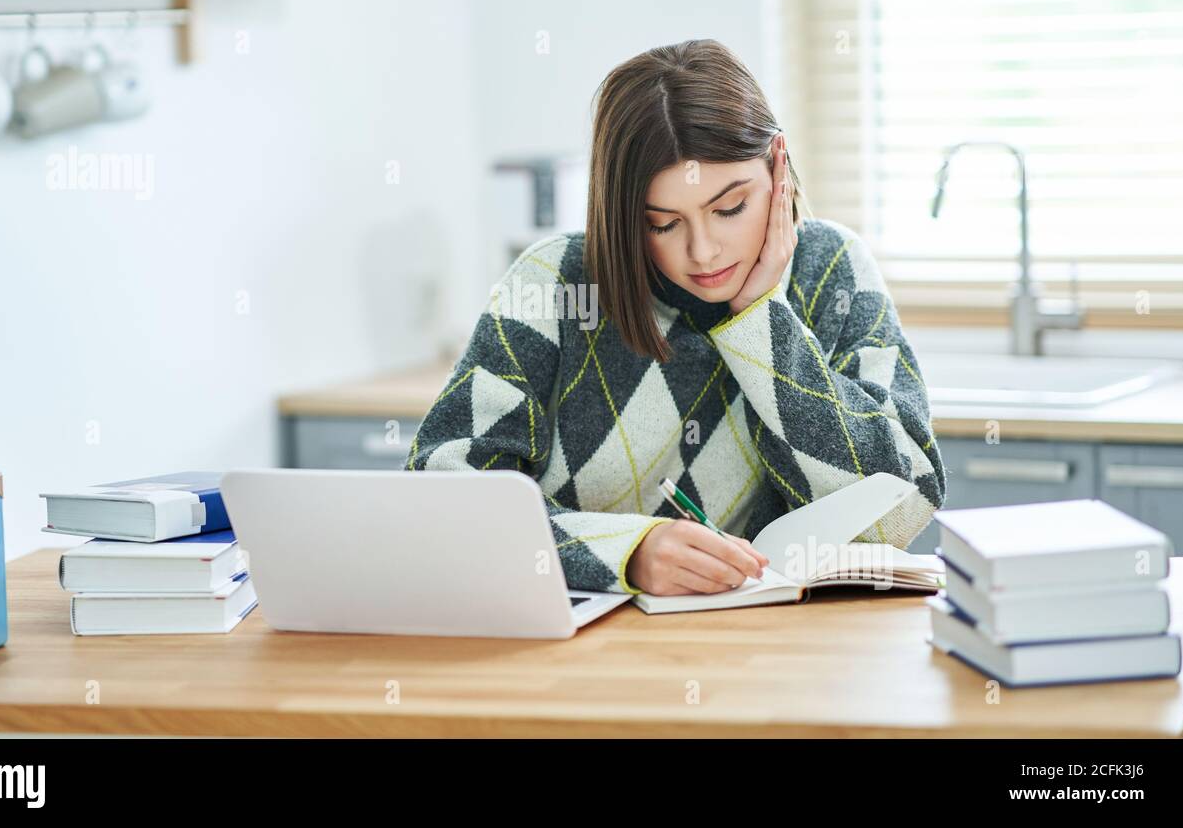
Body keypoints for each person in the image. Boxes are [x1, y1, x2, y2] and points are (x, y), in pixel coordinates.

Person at [404, 38, 946, 596]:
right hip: (589, 642)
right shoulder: (554, 281)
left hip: (778, 640)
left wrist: (760, 320)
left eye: (730, 208)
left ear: (778, 166)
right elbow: (442, 497)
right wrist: (624, 553)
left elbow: (902, 509)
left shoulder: (830, 267)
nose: (704, 252)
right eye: (662, 223)